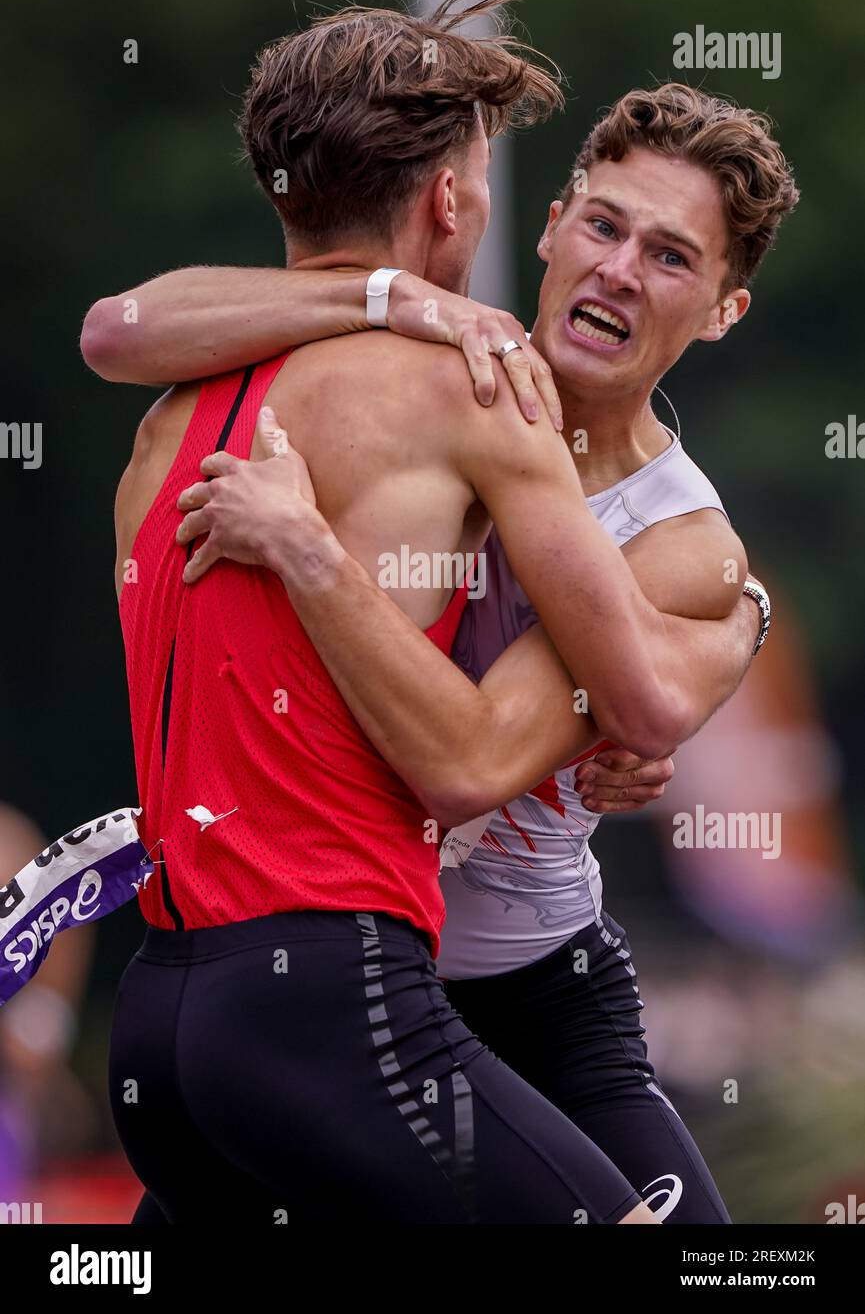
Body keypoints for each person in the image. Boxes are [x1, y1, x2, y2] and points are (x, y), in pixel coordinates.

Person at [88, 59, 797, 1221]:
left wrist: (728, 635)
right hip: (335, 981)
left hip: (520, 989)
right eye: (604, 226)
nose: (619, 267)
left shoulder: (675, 537)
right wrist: (384, 294)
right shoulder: (439, 376)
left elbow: (473, 764)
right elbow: (118, 330)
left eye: (669, 256)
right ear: (551, 228)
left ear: (722, 311)